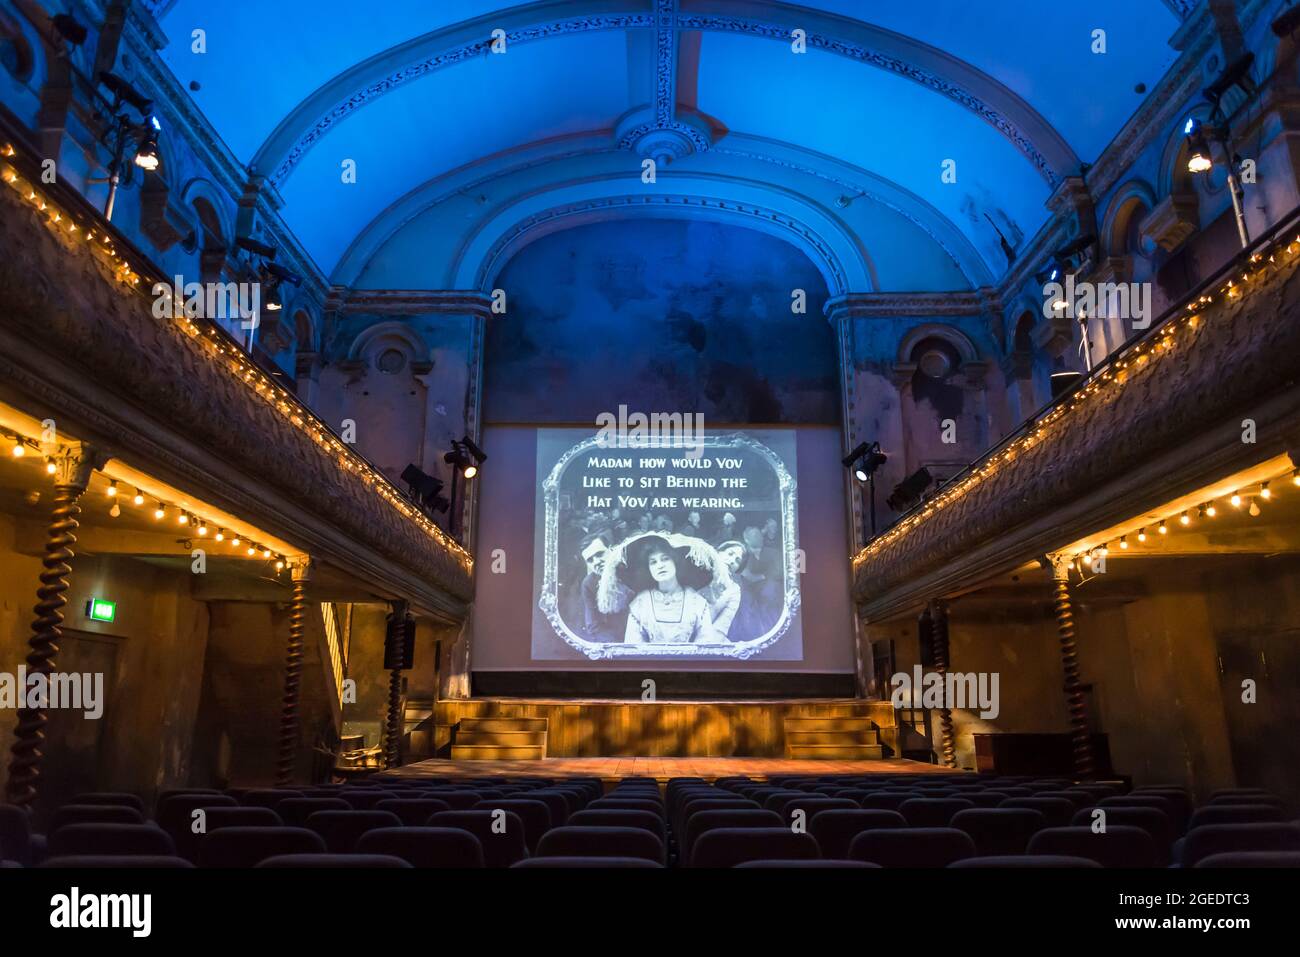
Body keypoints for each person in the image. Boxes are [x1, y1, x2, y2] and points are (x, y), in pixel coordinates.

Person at [600, 533, 728, 645]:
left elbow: (705, 644)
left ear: (675, 562)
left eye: (665, 559)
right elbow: (633, 646)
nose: (660, 566)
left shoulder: (697, 602)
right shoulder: (640, 603)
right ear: (649, 569)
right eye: (653, 562)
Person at [576, 532, 629, 642]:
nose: (596, 562)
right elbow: (593, 625)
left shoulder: (630, 568)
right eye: (590, 560)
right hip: (616, 641)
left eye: (600, 554)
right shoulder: (589, 584)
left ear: (611, 549)